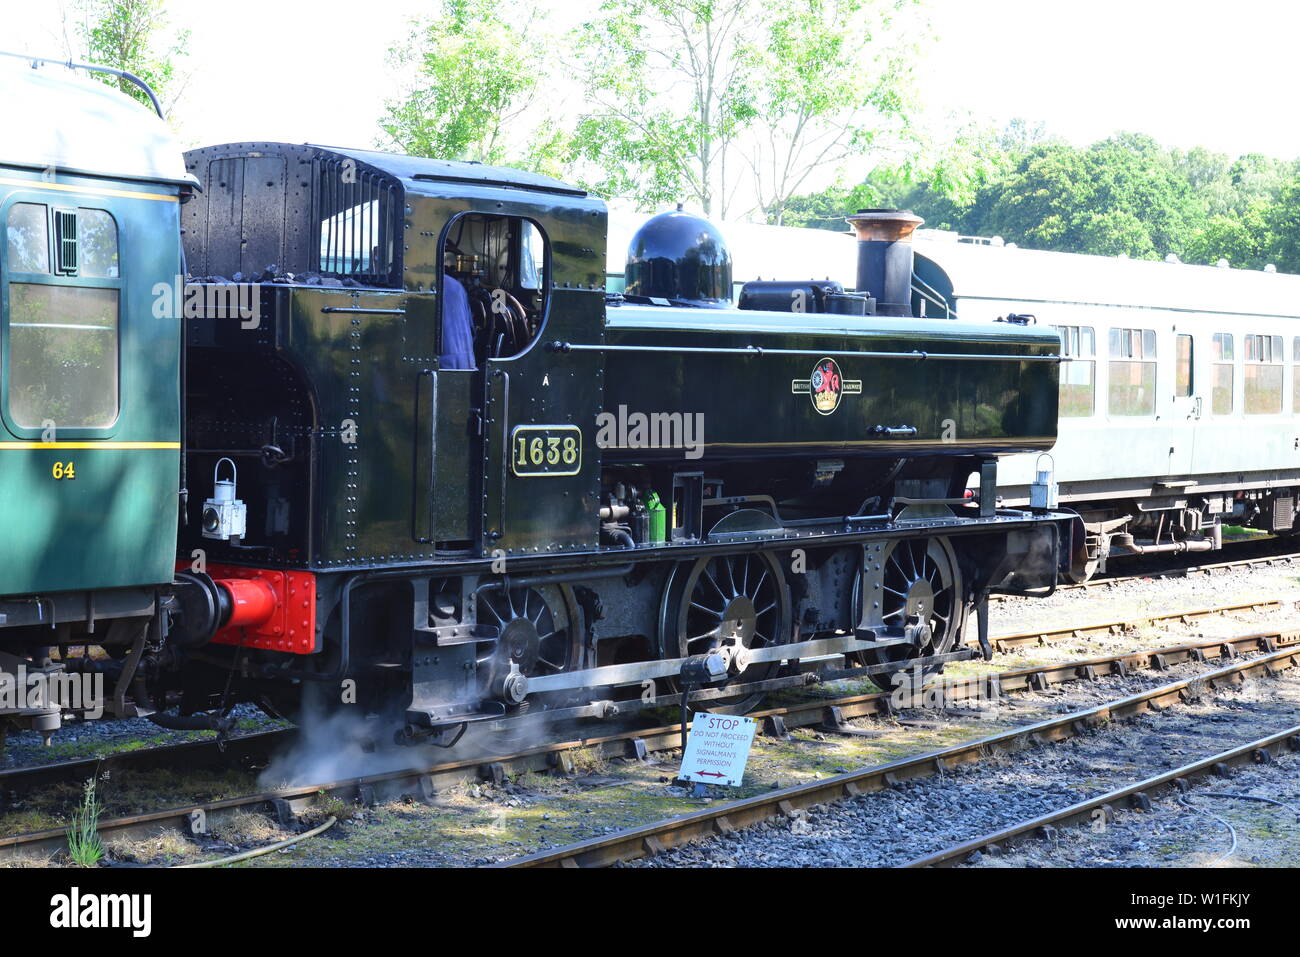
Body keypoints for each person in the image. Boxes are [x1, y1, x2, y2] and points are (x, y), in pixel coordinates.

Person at [440, 273, 476, 370]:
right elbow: (471, 328)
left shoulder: (429, 285)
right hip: (466, 363)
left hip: (443, 366)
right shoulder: (456, 285)